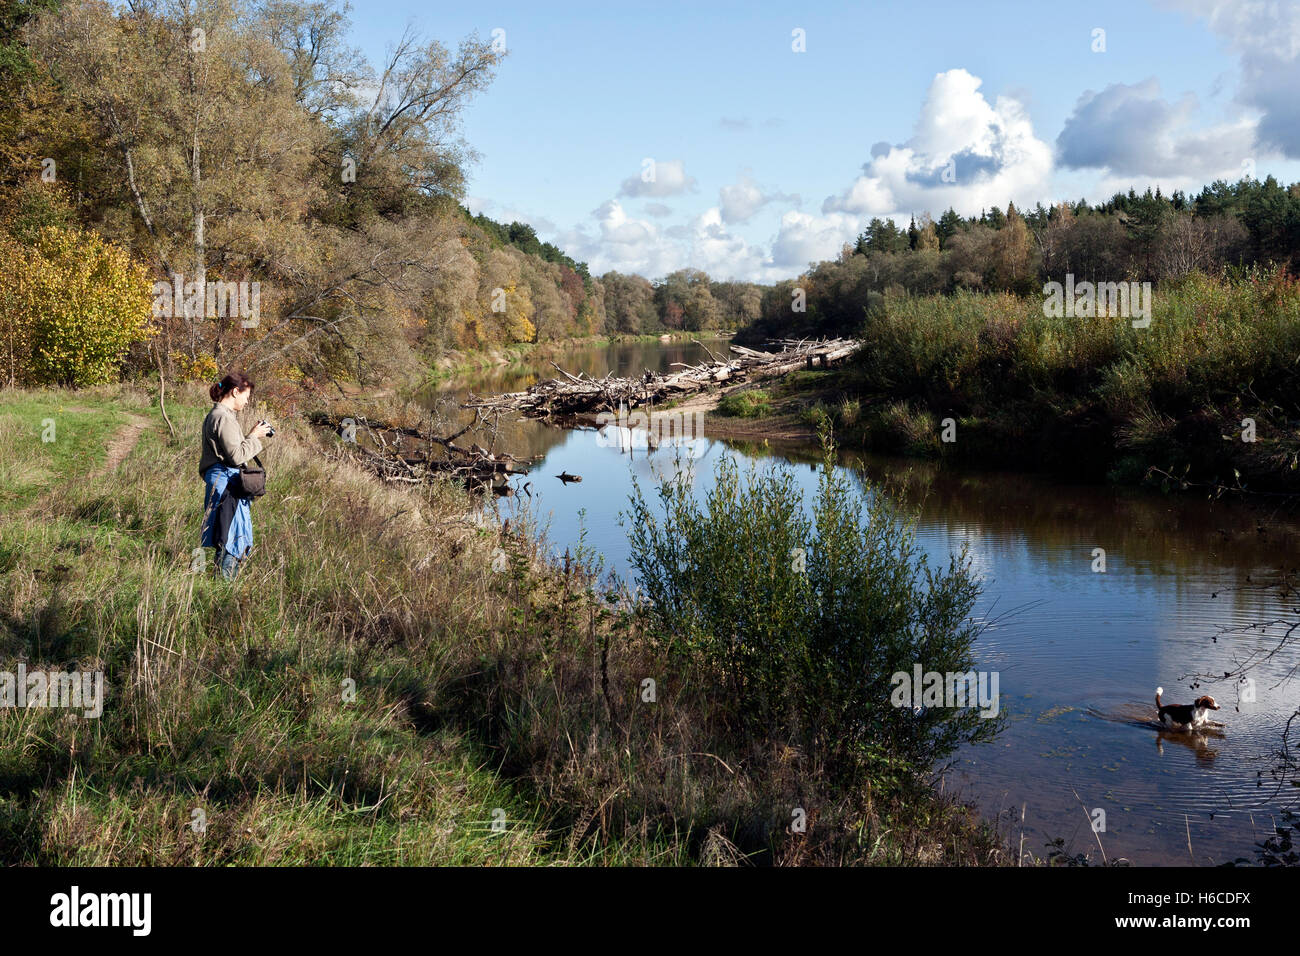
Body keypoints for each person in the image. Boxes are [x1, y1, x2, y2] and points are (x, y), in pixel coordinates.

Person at [199, 372, 271, 580]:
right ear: (235, 391)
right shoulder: (223, 417)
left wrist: (250, 436)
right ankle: (224, 586)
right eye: (246, 396)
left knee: (224, 534)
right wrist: (254, 437)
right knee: (232, 536)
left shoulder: (221, 416)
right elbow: (236, 456)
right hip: (226, 484)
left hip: (222, 481)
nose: (247, 402)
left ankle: (216, 583)